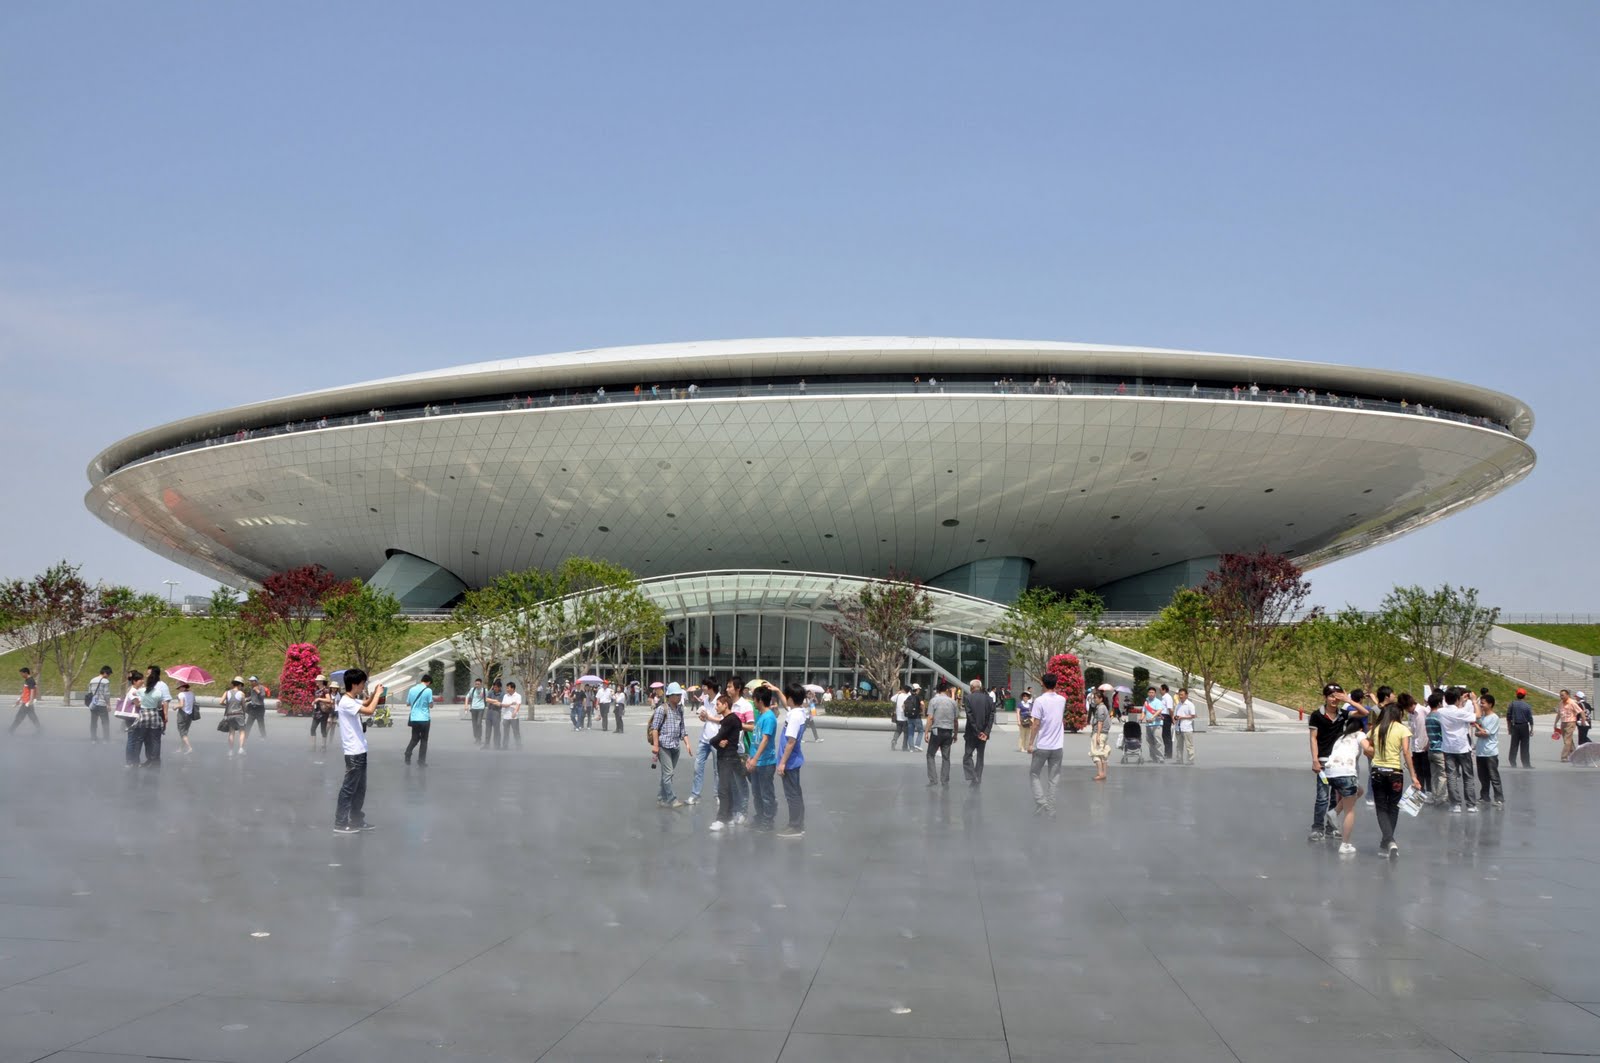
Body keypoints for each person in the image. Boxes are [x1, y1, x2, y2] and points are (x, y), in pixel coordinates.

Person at [1361, 697, 1417, 857]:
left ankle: (1386, 842)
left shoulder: (1377, 728)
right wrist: (1413, 776)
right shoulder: (1402, 729)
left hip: (1377, 772)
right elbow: (1406, 752)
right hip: (1395, 773)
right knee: (1393, 807)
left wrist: (1373, 753)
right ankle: (1389, 841)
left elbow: (1366, 745)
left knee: (1381, 808)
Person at [333, 668, 385, 833]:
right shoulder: (346, 702)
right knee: (349, 789)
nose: (363, 686)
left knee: (360, 789)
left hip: (360, 750)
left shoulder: (352, 699)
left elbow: (366, 703)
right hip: (353, 752)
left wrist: (375, 693)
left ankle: (356, 820)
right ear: (355, 684)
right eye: (362, 683)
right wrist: (378, 695)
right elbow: (369, 711)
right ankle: (340, 823)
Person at [1307, 684, 1347, 842]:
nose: (1334, 699)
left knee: (1335, 797)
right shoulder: (1317, 715)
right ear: (1325, 697)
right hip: (1323, 762)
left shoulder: (1344, 714)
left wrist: (1348, 699)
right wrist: (1315, 760)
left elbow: (1365, 713)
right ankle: (1317, 828)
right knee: (1322, 797)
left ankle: (1331, 828)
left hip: (1338, 763)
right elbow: (1313, 738)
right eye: (1331, 696)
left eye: (1337, 696)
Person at [1323, 715, 1365, 854]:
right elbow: (1367, 747)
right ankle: (1345, 844)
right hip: (1346, 773)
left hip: (1331, 773)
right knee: (1350, 811)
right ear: (1360, 728)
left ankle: (1334, 811)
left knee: (1359, 791)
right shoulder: (1359, 734)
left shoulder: (1340, 737)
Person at [1028, 674, 1066, 817]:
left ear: (1043, 683)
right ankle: (1050, 808)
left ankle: (1041, 802)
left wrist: (1030, 743)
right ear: (1056, 684)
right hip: (1057, 746)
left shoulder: (1039, 701)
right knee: (1054, 778)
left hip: (1042, 745)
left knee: (1034, 774)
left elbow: (1036, 723)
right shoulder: (1062, 700)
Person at [1436, 687, 1479, 813]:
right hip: (1463, 748)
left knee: (1451, 777)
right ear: (1457, 699)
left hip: (1448, 749)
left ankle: (1455, 804)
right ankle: (1471, 805)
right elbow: (1477, 715)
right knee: (1468, 776)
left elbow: (1452, 710)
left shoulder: (1440, 712)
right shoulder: (1460, 713)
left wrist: (1459, 702)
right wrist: (1474, 701)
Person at [708, 693, 746, 831]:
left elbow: (716, 738)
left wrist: (715, 741)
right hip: (729, 757)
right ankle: (729, 817)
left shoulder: (729, 720)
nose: (716, 707)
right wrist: (719, 743)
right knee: (728, 788)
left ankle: (721, 819)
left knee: (723, 789)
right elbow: (722, 740)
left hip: (727, 758)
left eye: (718, 704)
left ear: (725, 705)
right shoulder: (732, 719)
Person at [745, 686, 780, 831]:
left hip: (765, 762)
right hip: (756, 761)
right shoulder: (760, 716)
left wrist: (755, 758)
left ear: (759, 700)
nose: (753, 702)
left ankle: (768, 820)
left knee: (766, 793)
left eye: (754, 699)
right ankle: (760, 817)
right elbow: (756, 739)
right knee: (757, 793)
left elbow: (765, 740)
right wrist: (750, 757)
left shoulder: (769, 717)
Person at [776, 681, 808, 838]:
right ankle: (798, 823)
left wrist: (782, 763)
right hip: (793, 760)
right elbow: (786, 703)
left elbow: (791, 742)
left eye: (786, 696)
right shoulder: (798, 711)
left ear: (791, 698)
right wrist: (777, 690)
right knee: (796, 793)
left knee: (792, 795)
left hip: (790, 761)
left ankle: (795, 826)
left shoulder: (795, 716)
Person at [649, 683, 688, 808]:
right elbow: (655, 728)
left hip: (675, 746)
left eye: (680, 694)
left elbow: (682, 727)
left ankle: (661, 798)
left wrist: (687, 743)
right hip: (664, 746)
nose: (679, 697)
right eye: (676, 695)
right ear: (670, 696)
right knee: (668, 773)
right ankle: (672, 799)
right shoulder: (662, 709)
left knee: (667, 774)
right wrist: (656, 746)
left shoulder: (680, 709)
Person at [127, 665, 170, 769]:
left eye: (148, 674)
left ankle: (136, 761)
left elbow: (133, 692)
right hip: (155, 715)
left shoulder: (142, 690)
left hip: (144, 716)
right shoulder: (158, 692)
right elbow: (160, 703)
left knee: (139, 739)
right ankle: (153, 762)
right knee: (155, 740)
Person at [688, 677, 721, 806]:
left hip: (717, 739)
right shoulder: (706, 699)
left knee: (717, 770)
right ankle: (695, 794)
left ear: (711, 687)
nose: (702, 688)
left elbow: (723, 719)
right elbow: (708, 718)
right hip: (704, 739)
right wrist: (704, 718)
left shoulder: (721, 700)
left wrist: (709, 717)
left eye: (704, 686)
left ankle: (718, 795)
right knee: (697, 768)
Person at [962, 679, 995, 786]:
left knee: (967, 756)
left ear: (971, 687)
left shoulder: (968, 698)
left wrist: (977, 731)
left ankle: (973, 776)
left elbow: (970, 716)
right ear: (980, 687)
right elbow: (991, 717)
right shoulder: (989, 699)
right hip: (984, 734)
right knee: (980, 757)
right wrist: (986, 732)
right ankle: (978, 778)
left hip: (971, 732)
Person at [1474, 693, 1503, 808]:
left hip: (1490, 752)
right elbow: (1478, 733)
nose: (1481, 705)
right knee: (1482, 777)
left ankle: (1499, 798)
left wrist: (1477, 727)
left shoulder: (1494, 718)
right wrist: (1479, 730)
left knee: (1494, 776)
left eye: (1483, 703)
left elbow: (1486, 733)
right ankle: (1484, 796)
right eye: (1480, 703)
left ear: (1490, 704)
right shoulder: (1482, 717)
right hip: (1480, 752)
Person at [403, 675, 434, 766]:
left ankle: (408, 753)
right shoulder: (428, 690)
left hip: (414, 718)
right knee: (424, 740)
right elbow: (430, 705)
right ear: (428, 682)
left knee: (414, 738)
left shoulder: (412, 689)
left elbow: (408, 703)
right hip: (424, 719)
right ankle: (421, 761)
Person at [1424, 692, 1447, 802]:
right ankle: (1440, 797)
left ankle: (1434, 796)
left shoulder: (1428, 717)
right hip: (1440, 749)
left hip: (1431, 750)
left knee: (1434, 775)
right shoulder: (1439, 717)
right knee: (1443, 775)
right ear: (1439, 703)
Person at [1408, 693, 1433, 796]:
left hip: (1425, 745)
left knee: (1427, 771)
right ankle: (1420, 792)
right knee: (1418, 771)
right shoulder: (1410, 714)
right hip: (1415, 746)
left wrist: (1429, 742)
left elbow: (1431, 726)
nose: (1407, 711)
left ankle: (1430, 791)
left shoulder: (1423, 710)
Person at [1506, 688, 1534, 768]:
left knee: (1514, 745)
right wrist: (1531, 729)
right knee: (1525, 746)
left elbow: (1508, 717)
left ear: (1516, 695)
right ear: (1524, 696)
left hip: (1515, 726)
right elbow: (1530, 718)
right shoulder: (1527, 706)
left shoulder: (1512, 704)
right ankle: (1526, 764)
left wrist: (1509, 728)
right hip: (1524, 726)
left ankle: (1513, 763)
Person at [223, 676, 249, 757]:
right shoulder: (241, 694)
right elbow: (243, 706)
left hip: (230, 714)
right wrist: (244, 714)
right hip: (239, 714)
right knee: (242, 731)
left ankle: (231, 751)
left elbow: (221, 702)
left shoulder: (227, 692)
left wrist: (228, 705)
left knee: (231, 732)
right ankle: (241, 749)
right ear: (240, 685)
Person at [10, 667, 40, 734]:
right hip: (26, 702)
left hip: (27, 703)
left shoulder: (30, 680)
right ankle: (40, 730)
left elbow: (32, 691)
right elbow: (25, 691)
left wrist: (30, 701)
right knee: (33, 717)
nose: (21, 675)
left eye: (22, 674)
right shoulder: (27, 680)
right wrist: (20, 699)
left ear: (26, 673)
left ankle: (10, 731)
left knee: (19, 717)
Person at [87, 665, 113, 743]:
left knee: (93, 722)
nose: (108, 676)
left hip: (93, 704)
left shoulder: (92, 680)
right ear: (105, 673)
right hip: (102, 704)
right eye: (108, 674)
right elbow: (106, 694)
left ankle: (93, 739)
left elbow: (89, 692)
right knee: (105, 722)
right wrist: (108, 704)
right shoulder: (105, 681)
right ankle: (106, 739)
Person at [1089, 692, 1110, 782]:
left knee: (1096, 753)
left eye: (1096, 698)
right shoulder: (1103, 707)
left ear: (1101, 699)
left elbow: (1100, 722)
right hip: (1104, 733)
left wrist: (1097, 735)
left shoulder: (1101, 708)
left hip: (1100, 733)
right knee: (1103, 754)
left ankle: (1100, 774)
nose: (1094, 699)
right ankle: (1103, 773)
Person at [310, 676, 335, 752]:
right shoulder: (317, 690)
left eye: (318, 680)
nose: (316, 682)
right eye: (316, 680)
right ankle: (313, 746)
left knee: (323, 730)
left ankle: (323, 746)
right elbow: (317, 699)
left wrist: (319, 699)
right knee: (312, 729)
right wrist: (314, 701)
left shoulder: (326, 690)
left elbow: (329, 700)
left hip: (323, 712)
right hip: (316, 712)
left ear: (322, 681)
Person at [1173, 687, 1197, 764]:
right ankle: (1179, 760)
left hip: (1187, 728)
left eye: (1182, 695)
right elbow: (1175, 715)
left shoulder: (1190, 704)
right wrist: (1175, 718)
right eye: (1179, 695)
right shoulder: (1178, 705)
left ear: (1186, 695)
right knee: (1179, 746)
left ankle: (1190, 760)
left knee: (1189, 746)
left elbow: (1193, 715)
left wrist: (1182, 717)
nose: (1180, 696)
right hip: (1178, 728)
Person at [1142, 688, 1165, 764]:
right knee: (1150, 742)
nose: (1151, 694)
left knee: (1158, 741)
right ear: (1148, 693)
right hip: (1148, 724)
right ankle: (1153, 757)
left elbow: (1159, 710)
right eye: (1150, 692)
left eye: (1152, 692)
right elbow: (1144, 711)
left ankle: (1160, 757)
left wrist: (1152, 717)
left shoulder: (1158, 701)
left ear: (1155, 693)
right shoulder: (1146, 702)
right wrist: (1141, 718)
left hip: (1156, 724)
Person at [174, 681, 198, 754]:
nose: (179, 689)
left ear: (183, 687)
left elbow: (181, 705)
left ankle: (189, 748)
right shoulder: (192, 693)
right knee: (185, 731)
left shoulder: (181, 694)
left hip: (182, 714)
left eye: (179, 687)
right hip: (189, 714)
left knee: (182, 732)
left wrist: (175, 707)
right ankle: (181, 748)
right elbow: (193, 702)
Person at [1557, 690, 1581, 762]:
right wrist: (1555, 723)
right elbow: (1559, 714)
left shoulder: (1572, 703)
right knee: (1567, 740)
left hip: (1571, 722)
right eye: (1560, 695)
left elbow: (1581, 711)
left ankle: (1564, 757)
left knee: (1567, 740)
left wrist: (1583, 720)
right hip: (1563, 723)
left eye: (1563, 695)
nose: (1561, 697)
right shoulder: (1560, 703)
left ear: (1567, 695)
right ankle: (1575, 755)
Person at [465, 677, 488, 746]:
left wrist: (484, 696)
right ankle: (476, 737)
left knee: (478, 723)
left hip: (481, 708)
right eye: (476, 684)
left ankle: (479, 738)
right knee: (474, 724)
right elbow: (467, 696)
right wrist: (466, 705)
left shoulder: (484, 690)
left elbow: (487, 699)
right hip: (473, 708)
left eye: (478, 684)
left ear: (481, 684)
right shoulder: (473, 689)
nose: (477, 685)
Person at [501, 681, 523, 749]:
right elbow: (503, 705)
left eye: (508, 688)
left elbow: (518, 705)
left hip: (514, 717)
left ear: (512, 688)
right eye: (507, 688)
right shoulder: (505, 696)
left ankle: (518, 746)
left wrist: (515, 712)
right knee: (506, 732)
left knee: (516, 732)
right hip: (506, 716)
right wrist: (510, 704)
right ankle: (505, 746)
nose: (507, 689)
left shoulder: (518, 696)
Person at [904, 684, 925, 752]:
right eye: (919, 689)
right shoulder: (919, 697)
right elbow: (922, 704)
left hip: (909, 717)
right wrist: (923, 712)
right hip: (917, 717)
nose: (919, 690)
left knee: (910, 733)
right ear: (917, 689)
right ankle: (917, 745)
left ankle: (911, 748)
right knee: (921, 731)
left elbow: (903, 706)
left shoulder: (909, 697)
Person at [484, 680, 504, 749]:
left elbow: (499, 704)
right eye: (494, 687)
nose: (494, 688)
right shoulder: (491, 692)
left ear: (499, 687)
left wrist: (491, 701)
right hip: (489, 712)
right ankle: (486, 745)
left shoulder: (502, 694)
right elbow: (486, 699)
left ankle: (497, 745)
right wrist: (495, 700)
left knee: (496, 730)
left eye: (496, 687)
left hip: (496, 713)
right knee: (488, 730)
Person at [890, 684, 909, 751]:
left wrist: (898, 693)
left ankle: (894, 741)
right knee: (906, 733)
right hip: (906, 718)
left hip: (898, 717)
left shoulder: (898, 695)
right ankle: (904, 746)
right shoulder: (908, 696)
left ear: (903, 689)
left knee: (898, 731)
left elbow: (892, 699)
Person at [1159, 683, 1175, 760]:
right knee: (1164, 735)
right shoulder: (1164, 697)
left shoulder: (1168, 697)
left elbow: (1170, 709)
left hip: (1166, 717)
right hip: (1163, 716)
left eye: (1160, 690)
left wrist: (1172, 718)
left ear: (1164, 690)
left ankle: (1168, 754)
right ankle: (1166, 752)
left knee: (1167, 736)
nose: (1159, 691)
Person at [1016, 688, 1032, 753]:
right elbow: (1018, 713)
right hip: (1022, 720)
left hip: (1029, 721)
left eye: (1026, 696)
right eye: (1024, 696)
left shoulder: (1030, 704)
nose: (1025, 697)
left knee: (1028, 735)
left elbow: (1033, 713)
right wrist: (1018, 721)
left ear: (1028, 697)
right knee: (1022, 734)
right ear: (1022, 697)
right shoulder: (1020, 704)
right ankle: (1021, 747)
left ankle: (1026, 747)